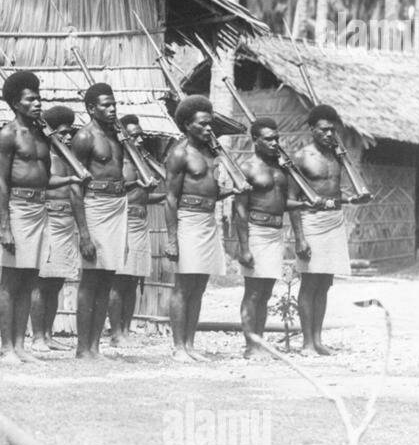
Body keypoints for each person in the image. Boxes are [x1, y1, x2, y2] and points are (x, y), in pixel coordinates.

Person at [0, 70, 60, 364]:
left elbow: (44, 179)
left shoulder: (41, 136)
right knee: (10, 280)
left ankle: (20, 345)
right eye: (30, 99)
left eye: (38, 98)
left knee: (30, 279)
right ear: (16, 104)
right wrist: (4, 227)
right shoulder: (8, 135)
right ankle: (6, 347)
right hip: (17, 210)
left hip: (39, 209)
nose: (37, 103)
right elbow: (0, 182)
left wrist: (73, 181)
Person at [164, 94, 236, 362]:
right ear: (186, 125)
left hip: (207, 221)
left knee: (200, 286)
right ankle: (178, 347)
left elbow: (209, 192)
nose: (208, 129)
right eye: (202, 124)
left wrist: (227, 192)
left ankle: (191, 344)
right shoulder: (179, 153)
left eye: (210, 124)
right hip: (187, 222)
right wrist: (172, 239)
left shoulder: (211, 153)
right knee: (183, 285)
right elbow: (171, 197)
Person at [233, 117, 313, 358]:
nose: (274, 143)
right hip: (256, 232)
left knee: (266, 292)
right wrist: (244, 247)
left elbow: (281, 202)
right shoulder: (246, 168)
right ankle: (250, 346)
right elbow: (239, 210)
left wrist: (305, 203)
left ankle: (260, 342)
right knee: (253, 292)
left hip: (275, 233)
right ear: (255, 140)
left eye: (276, 138)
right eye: (268, 139)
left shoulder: (281, 170)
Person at [71, 83, 129, 361]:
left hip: (117, 205)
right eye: (105, 105)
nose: (112, 109)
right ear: (91, 109)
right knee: (91, 277)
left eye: (114, 104)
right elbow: (74, 187)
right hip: (94, 206)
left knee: (107, 277)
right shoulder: (84, 137)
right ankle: (83, 347)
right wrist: (83, 233)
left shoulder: (118, 137)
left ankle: (95, 346)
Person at [290, 104, 353, 356]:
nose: (329, 134)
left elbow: (336, 192)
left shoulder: (337, 156)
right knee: (309, 282)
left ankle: (317, 339)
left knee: (325, 282)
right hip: (311, 221)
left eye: (332, 130)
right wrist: (299, 238)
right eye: (324, 130)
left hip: (334, 220)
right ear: (312, 129)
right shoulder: (301, 157)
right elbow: (292, 200)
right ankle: (306, 342)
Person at [30, 106, 86, 352]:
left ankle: (48, 334)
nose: (68, 137)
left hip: (67, 224)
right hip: (48, 220)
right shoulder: (45, 156)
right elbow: (44, 181)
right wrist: (72, 179)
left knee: (56, 283)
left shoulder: (70, 160)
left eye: (70, 132)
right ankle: (37, 337)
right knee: (42, 282)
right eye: (62, 133)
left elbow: (76, 194)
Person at [108, 114, 165, 347]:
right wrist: (136, 184)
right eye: (134, 136)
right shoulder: (118, 162)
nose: (140, 140)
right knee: (119, 280)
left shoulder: (141, 162)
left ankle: (125, 330)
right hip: (123, 221)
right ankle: (116, 333)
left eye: (141, 135)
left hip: (141, 222)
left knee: (133, 281)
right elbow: (113, 189)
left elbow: (154, 186)